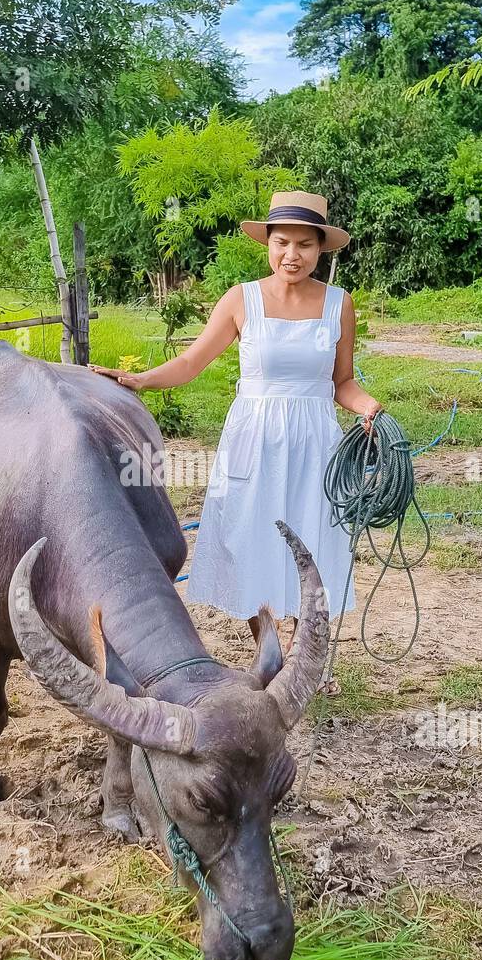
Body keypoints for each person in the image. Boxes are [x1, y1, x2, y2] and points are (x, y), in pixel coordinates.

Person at [88, 190, 382, 651]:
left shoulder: (338, 304)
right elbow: (191, 362)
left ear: (320, 248)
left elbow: (342, 382)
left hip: (314, 441)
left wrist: (368, 407)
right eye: (282, 242)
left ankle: (313, 655)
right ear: (267, 243)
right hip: (254, 438)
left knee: (317, 541)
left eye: (304, 245)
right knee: (250, 537)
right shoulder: (241, 299)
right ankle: (269, 649)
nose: (292, 254)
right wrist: (139, 379)